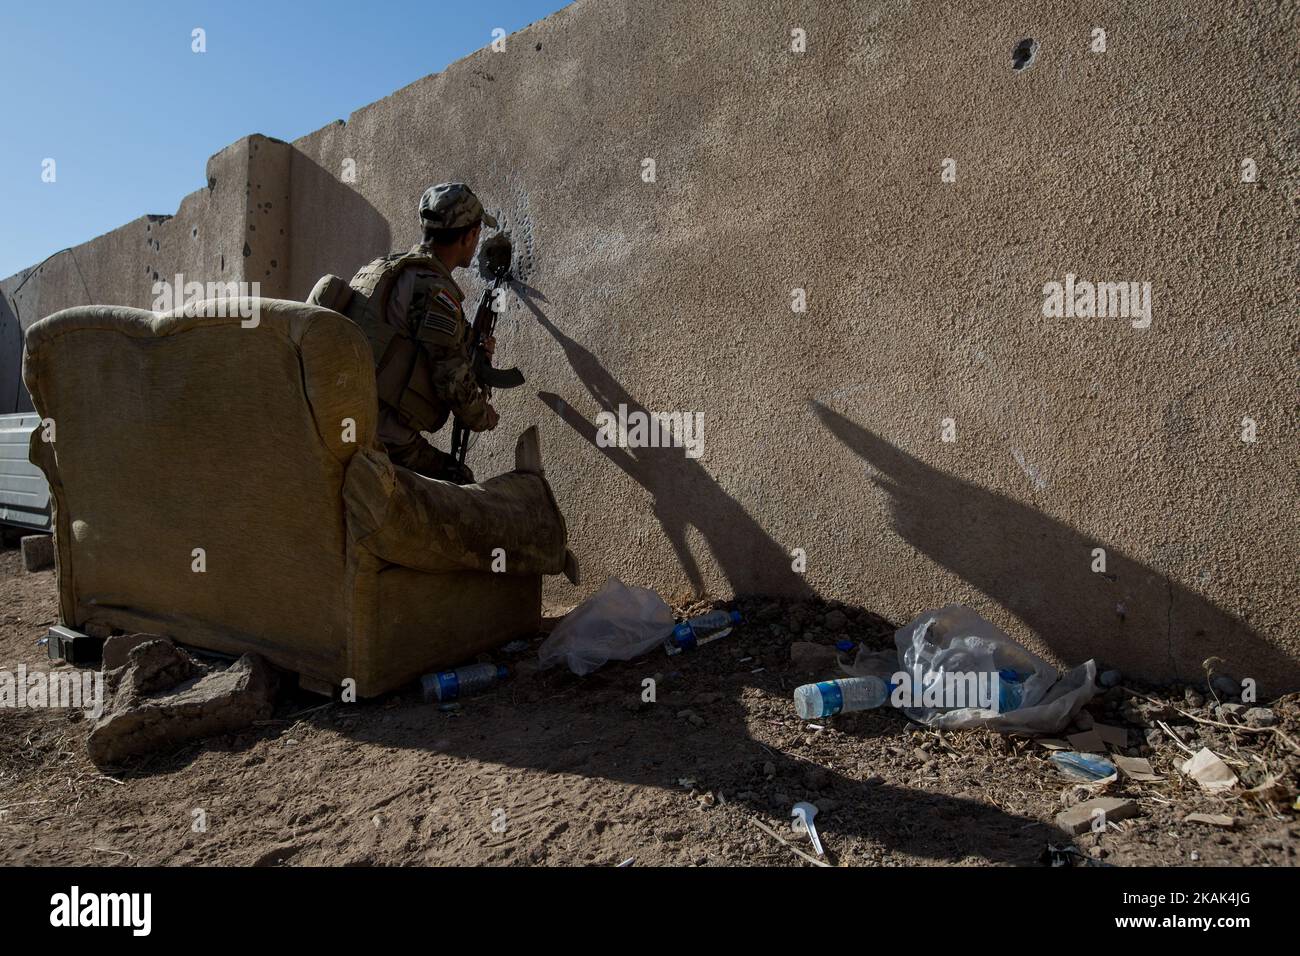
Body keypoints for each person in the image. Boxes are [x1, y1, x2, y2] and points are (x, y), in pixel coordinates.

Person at [368, 182, 501, 484]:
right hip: (386, 436)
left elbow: (416, 342)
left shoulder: (386, 268)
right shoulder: (435, 293)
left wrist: (473, 347)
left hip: (347, 414)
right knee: (461, 485)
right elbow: (451, 381)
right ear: (469, 236)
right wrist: (483, 416)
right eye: (478, 234)